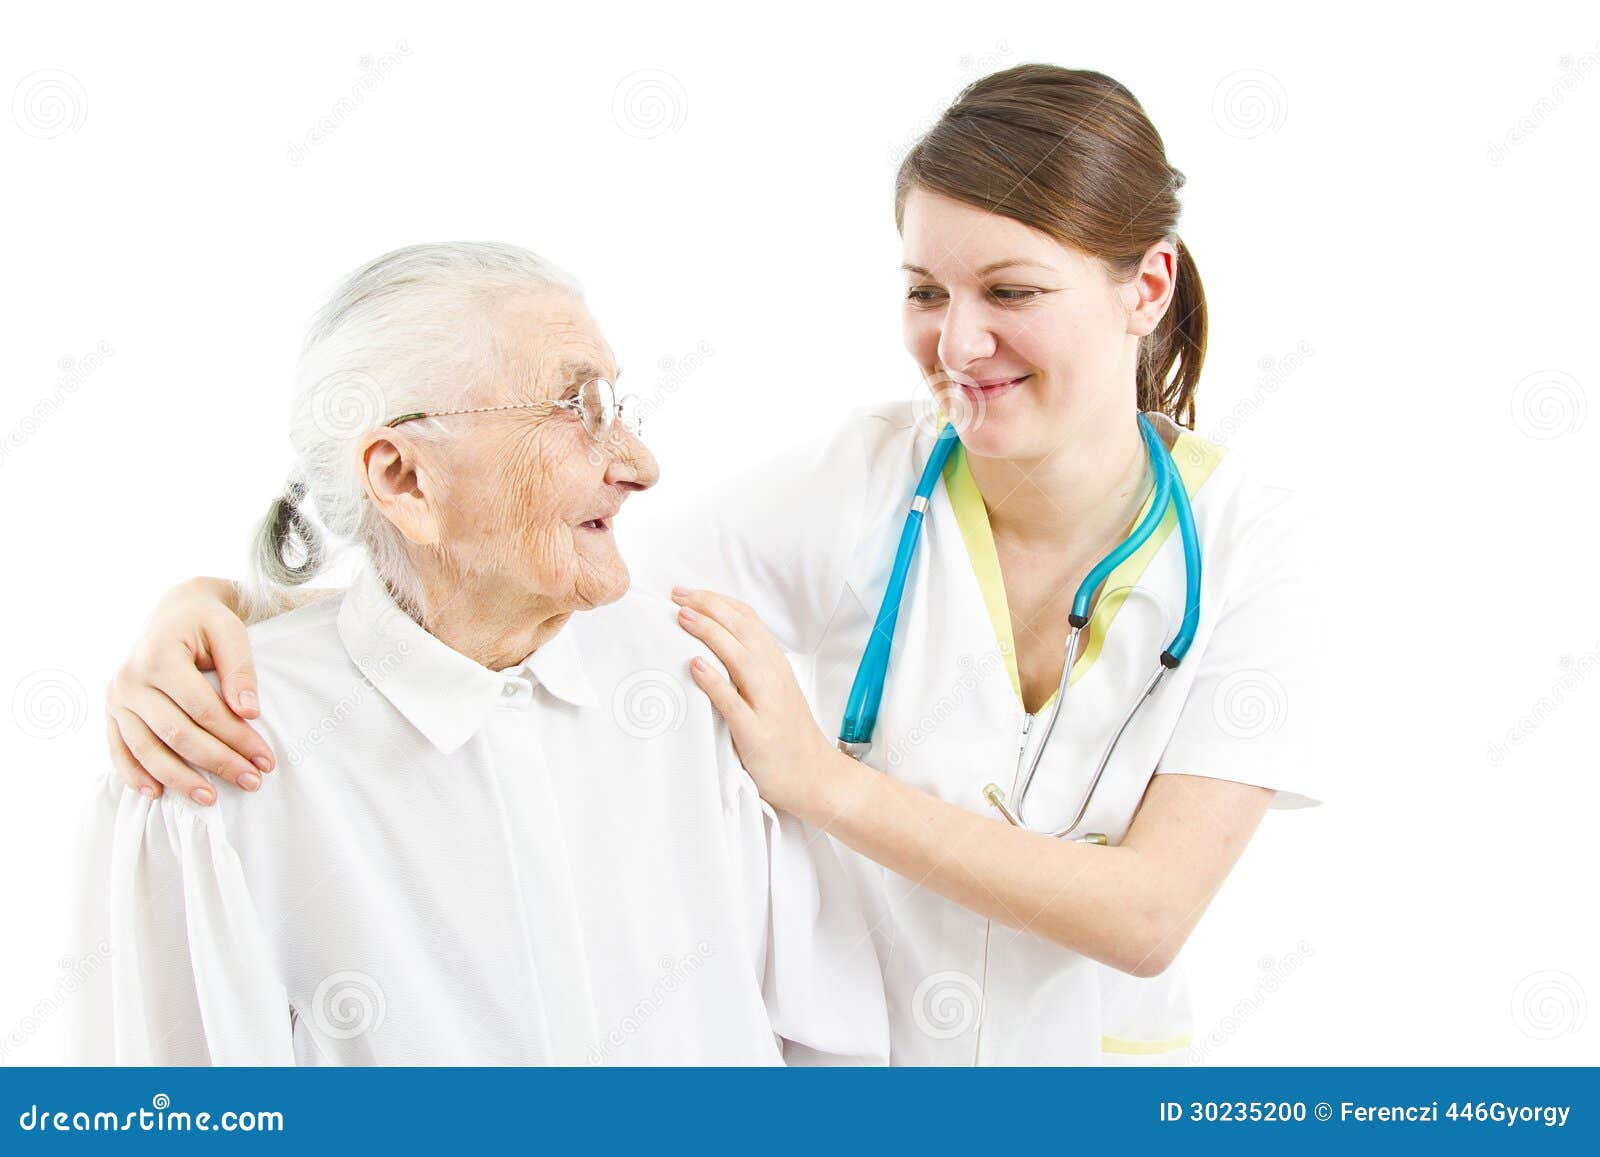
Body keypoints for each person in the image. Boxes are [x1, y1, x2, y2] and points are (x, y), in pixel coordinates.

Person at [101, 66, 1320, 1065]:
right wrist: (226, 608)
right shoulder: (862, 485)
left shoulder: (1254, 547)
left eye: (1011, 289)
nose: (957, 342)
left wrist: (820, 781)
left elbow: (1148, 915)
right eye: (923, 290)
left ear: (1145, 285)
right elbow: (528, 567)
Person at [72, 242, 888, 1066]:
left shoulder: (696, 677)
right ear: (404, 479)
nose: (641, 466)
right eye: (579, 409)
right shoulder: (214, 752)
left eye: (619, 406)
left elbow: (831, 1049)